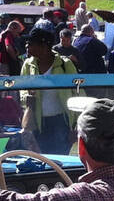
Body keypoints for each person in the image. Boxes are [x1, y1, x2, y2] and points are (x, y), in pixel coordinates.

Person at [18, 22, 79, 154]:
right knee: (41, 160)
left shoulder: (65, 64)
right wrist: (26, 97)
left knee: (60, 159)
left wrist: (76, 125)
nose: (26, 46)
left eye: (31, 43)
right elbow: (22, 90)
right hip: (38, 123)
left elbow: (78, 93)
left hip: (61, 122)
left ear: (44, 46)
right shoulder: (28, 65)